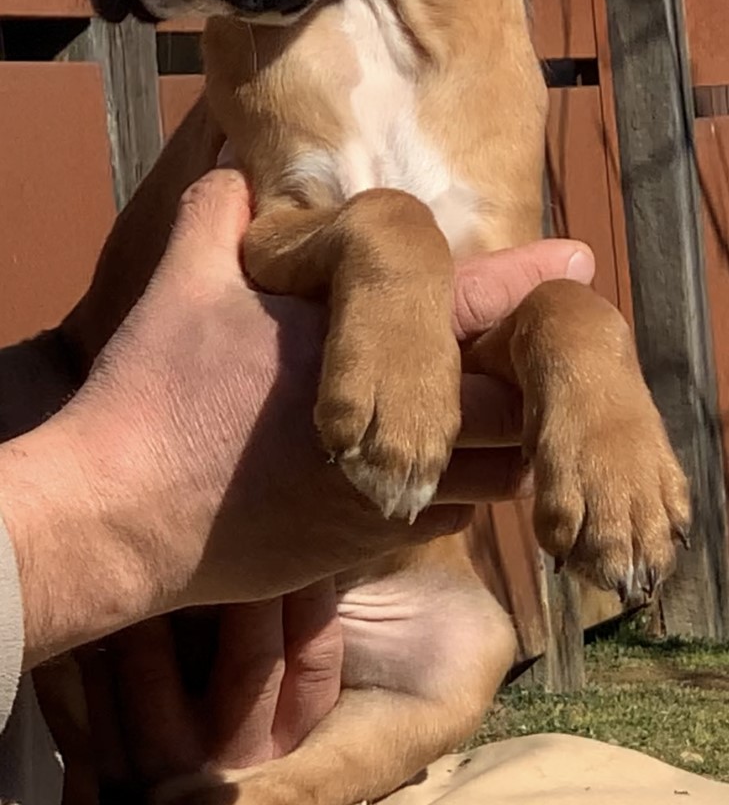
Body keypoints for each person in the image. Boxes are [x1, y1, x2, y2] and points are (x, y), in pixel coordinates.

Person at [0, 166, 600, 800]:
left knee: (468, 645)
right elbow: (262, 238)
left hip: (352, 618)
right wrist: (101, 533)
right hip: (86, 653)